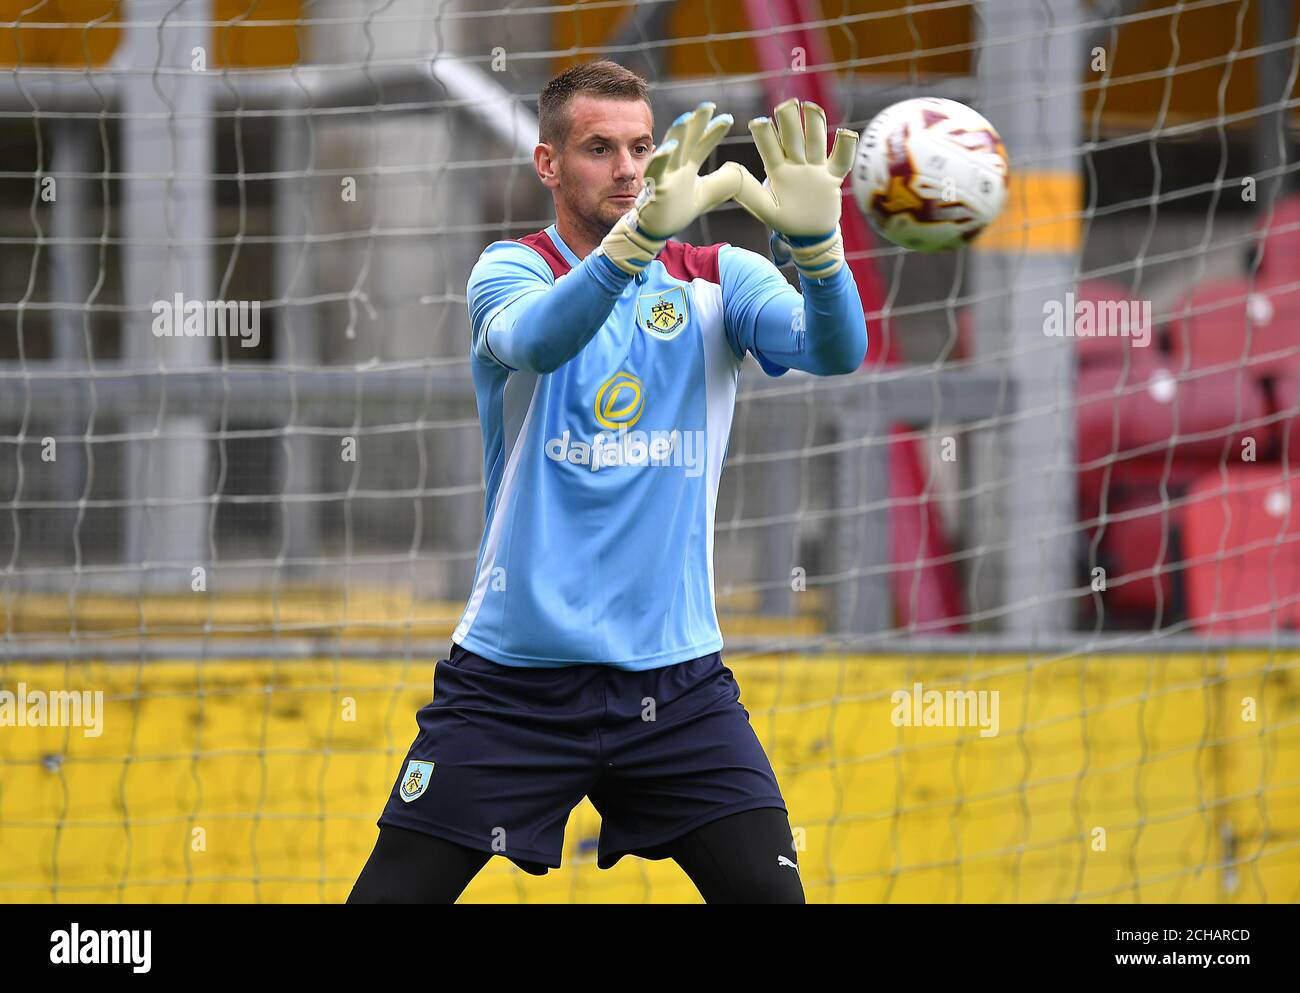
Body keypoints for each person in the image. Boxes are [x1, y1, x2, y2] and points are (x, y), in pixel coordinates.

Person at [349, 59, 866, 904]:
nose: (629, 169)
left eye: (642, 147)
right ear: (548, 164)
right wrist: (632, 247)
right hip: (513, 684)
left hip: (679, 687)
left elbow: (835, 351)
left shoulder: (719, 276)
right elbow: (540, 341)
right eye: (600, 148)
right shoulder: (509, 270)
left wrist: (818, 248)